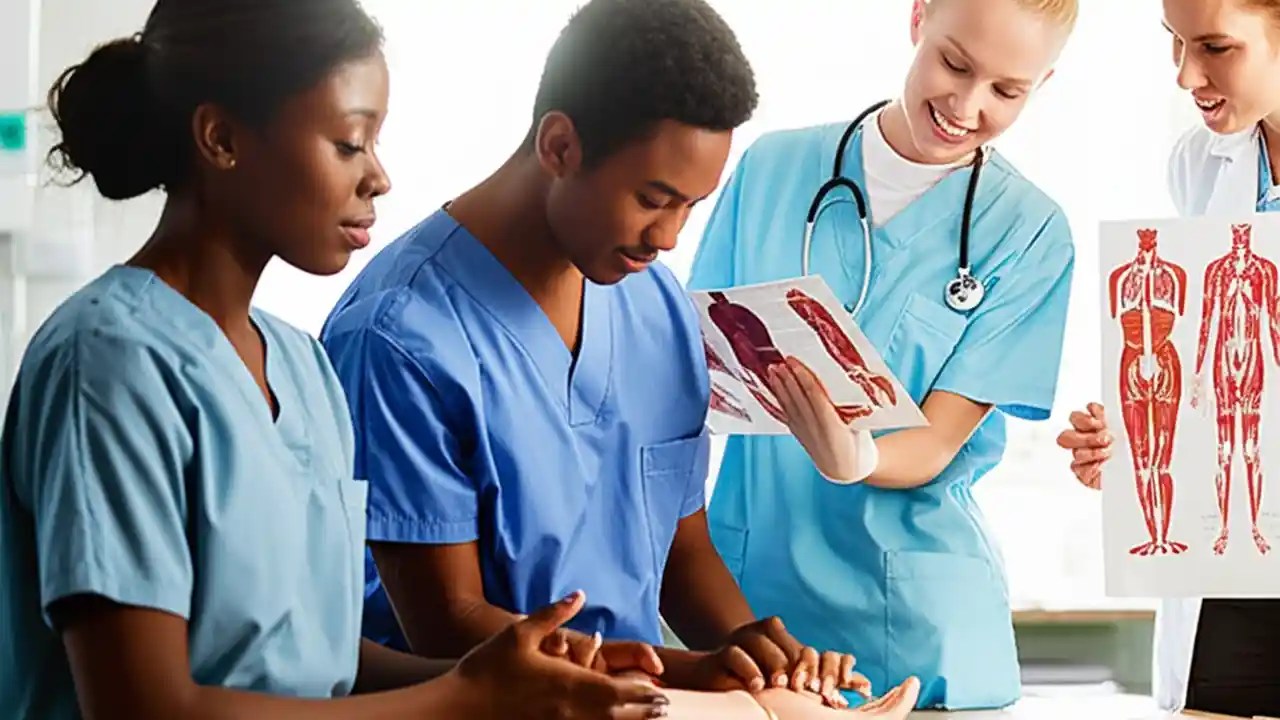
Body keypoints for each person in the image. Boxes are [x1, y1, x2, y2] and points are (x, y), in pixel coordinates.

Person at [0, 2, 674, 718]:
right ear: (222, 138)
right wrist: (460, 699)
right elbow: (143, 704)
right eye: (351, 144)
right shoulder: (111, 363)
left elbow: (318, 657)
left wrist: (508, 673)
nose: (378, 178)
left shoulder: (302, 368)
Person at [319, 0, 871, 707]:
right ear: (559, 147)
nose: (667, 237)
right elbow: (446, 626)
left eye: (690, 208)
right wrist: (673, 673)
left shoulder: (657, 305)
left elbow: (679, 542)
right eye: (653, 198)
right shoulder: (400, 337)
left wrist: (752, 652)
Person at [687, 0, 1078, 710]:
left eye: (1007, 91)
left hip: (916, 629)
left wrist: (859, 457)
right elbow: (691, 367)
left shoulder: (1029, 231)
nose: (966, 105)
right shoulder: (771, 169)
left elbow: (936, 438)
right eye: (954, 63)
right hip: (748, 599)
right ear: (919, 17)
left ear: (1043, 83)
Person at [1058, 0, 1280, 715]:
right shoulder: (1200, 160)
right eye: (1175, 43)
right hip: (1238, 570)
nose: (1186, 74)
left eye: (1215, 46)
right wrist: (1122, 451)